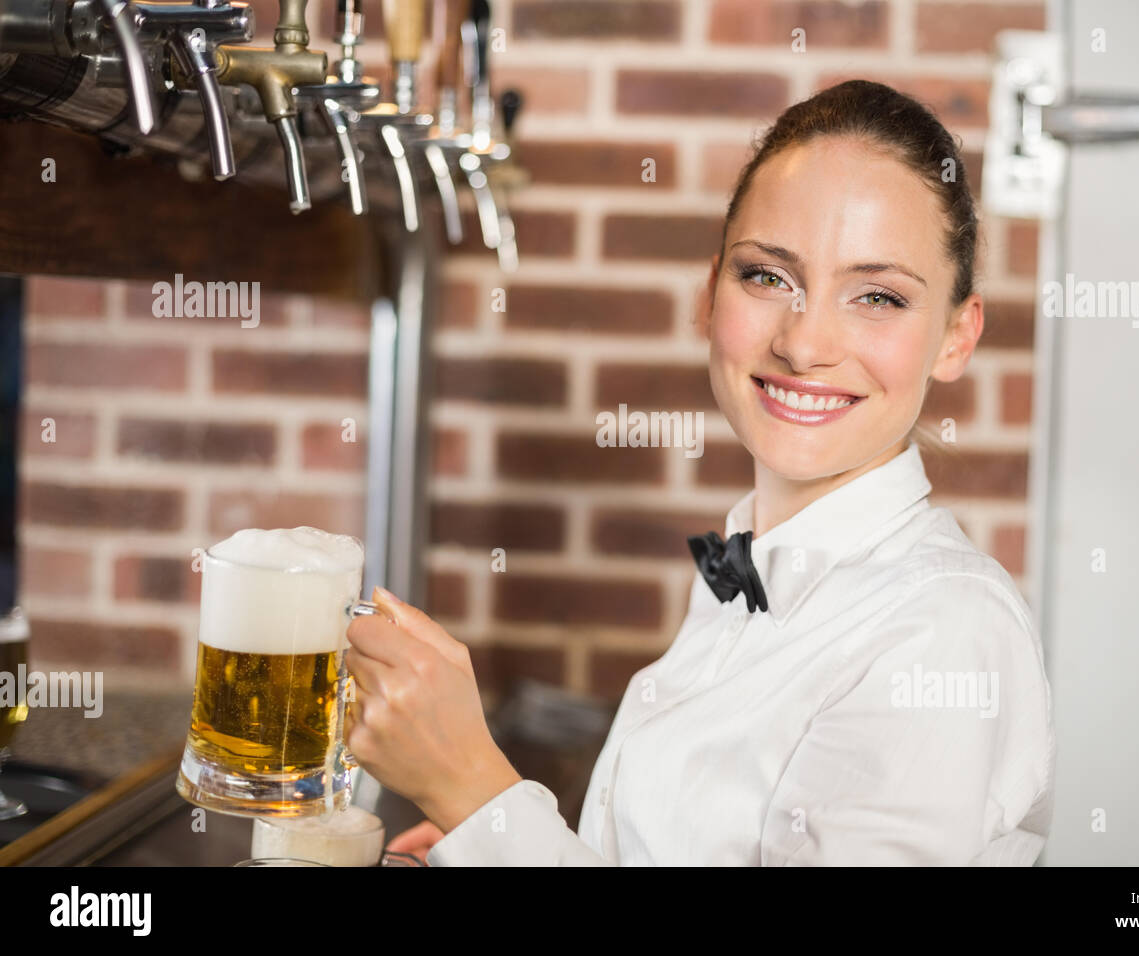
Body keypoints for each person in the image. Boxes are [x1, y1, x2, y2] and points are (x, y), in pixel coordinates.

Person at [344, 79, 1056, 866]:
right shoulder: (753, 564)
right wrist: (491, 843)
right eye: (767, 277)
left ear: (958, 336)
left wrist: (470, 789)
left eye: (878, 296)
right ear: (708, 293)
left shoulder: (943, 634)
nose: (805, 342)